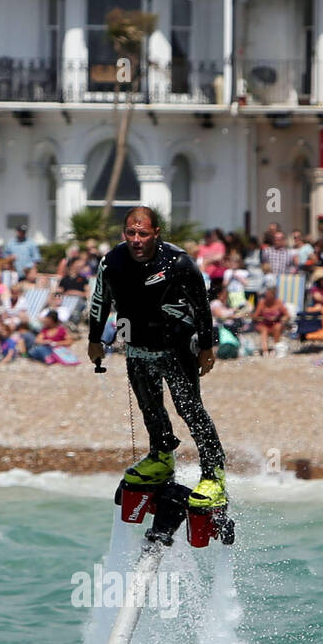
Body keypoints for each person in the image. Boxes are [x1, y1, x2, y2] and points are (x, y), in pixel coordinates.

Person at [88, 205, 227, 510]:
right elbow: (100, 300)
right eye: (130, 233)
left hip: (176, 348)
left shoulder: (178, 262)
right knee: (149, 406)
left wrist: (206, 347)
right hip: (137, 348)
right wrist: (94, 340)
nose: (136, 239)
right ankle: (161, 456)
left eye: (143, 233)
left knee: (189, 409)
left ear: (156, 233)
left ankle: (214, 475)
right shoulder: (112, 262)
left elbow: (202, 306)